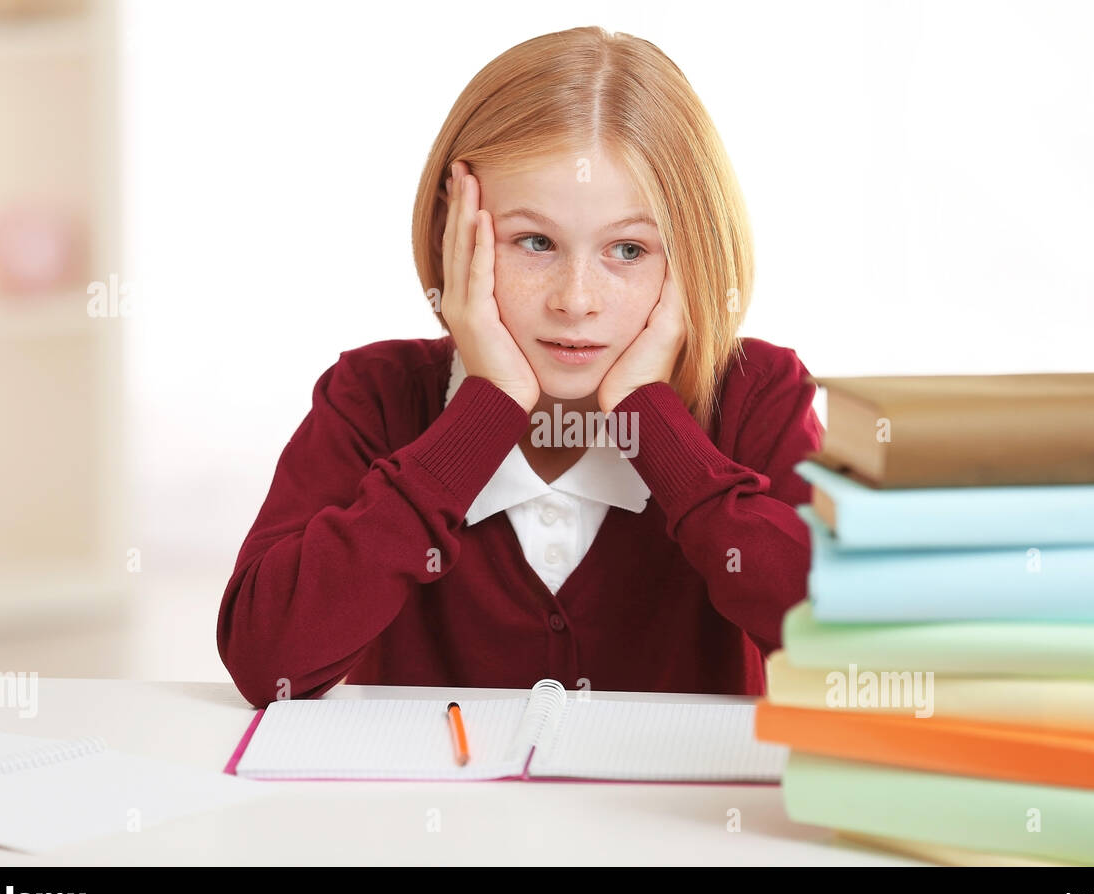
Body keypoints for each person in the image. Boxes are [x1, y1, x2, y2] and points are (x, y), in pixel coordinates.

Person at [217, 26, 824, 708]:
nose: (576, 301)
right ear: (457, 236)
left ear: (693, 255)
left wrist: (653, 421)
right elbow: (265, 659)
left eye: (628, 251)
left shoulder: (756, 396)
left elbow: (844, 645)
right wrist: (487, 406)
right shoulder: (374, 397)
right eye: (535, 243)